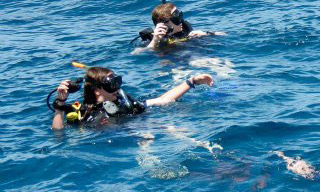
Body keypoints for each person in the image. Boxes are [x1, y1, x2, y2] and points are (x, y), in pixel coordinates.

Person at [50, 66, 215, 130]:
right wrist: (60, 104)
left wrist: (192, 82)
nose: (117, 88)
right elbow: (58, 133)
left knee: (173, 129)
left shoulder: (124, 102)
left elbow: (163, 100)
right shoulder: (84, 112)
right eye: (111, 84)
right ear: (97, 90)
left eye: (117, 82)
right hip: (109, 143)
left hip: (139, 129)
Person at [138, 3, 224, 50]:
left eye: (180, 15)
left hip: (192, 57)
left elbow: (223, 34)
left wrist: (206, 33)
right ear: (165, 24)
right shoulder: (153, 38)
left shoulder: (185, 32)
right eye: (176, 17)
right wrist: (155, 40)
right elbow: (137, 53)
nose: (181, 20)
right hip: (173, 64)